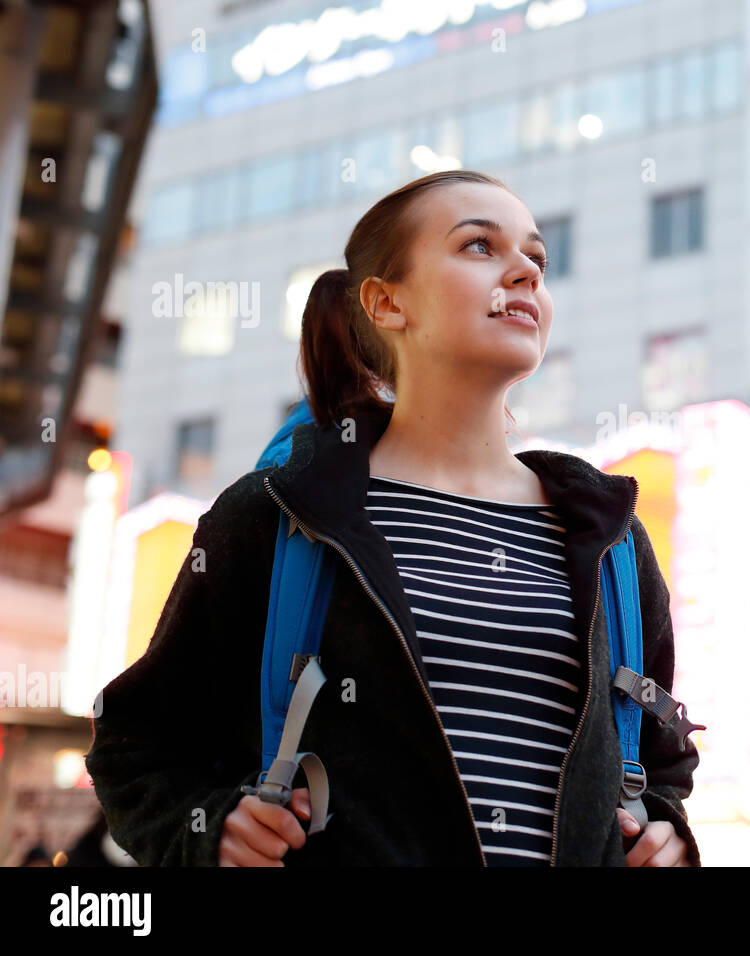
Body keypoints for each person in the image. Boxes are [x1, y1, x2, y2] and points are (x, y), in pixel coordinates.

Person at [83, 170, 701, 867]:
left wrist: (664, 832)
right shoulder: (280, 518)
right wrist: (207, 829)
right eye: (479, 246)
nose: (525, 270)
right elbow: (136, 743)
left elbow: (656, 759)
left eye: (537, 257)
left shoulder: (611, 541)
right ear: (385, 302)